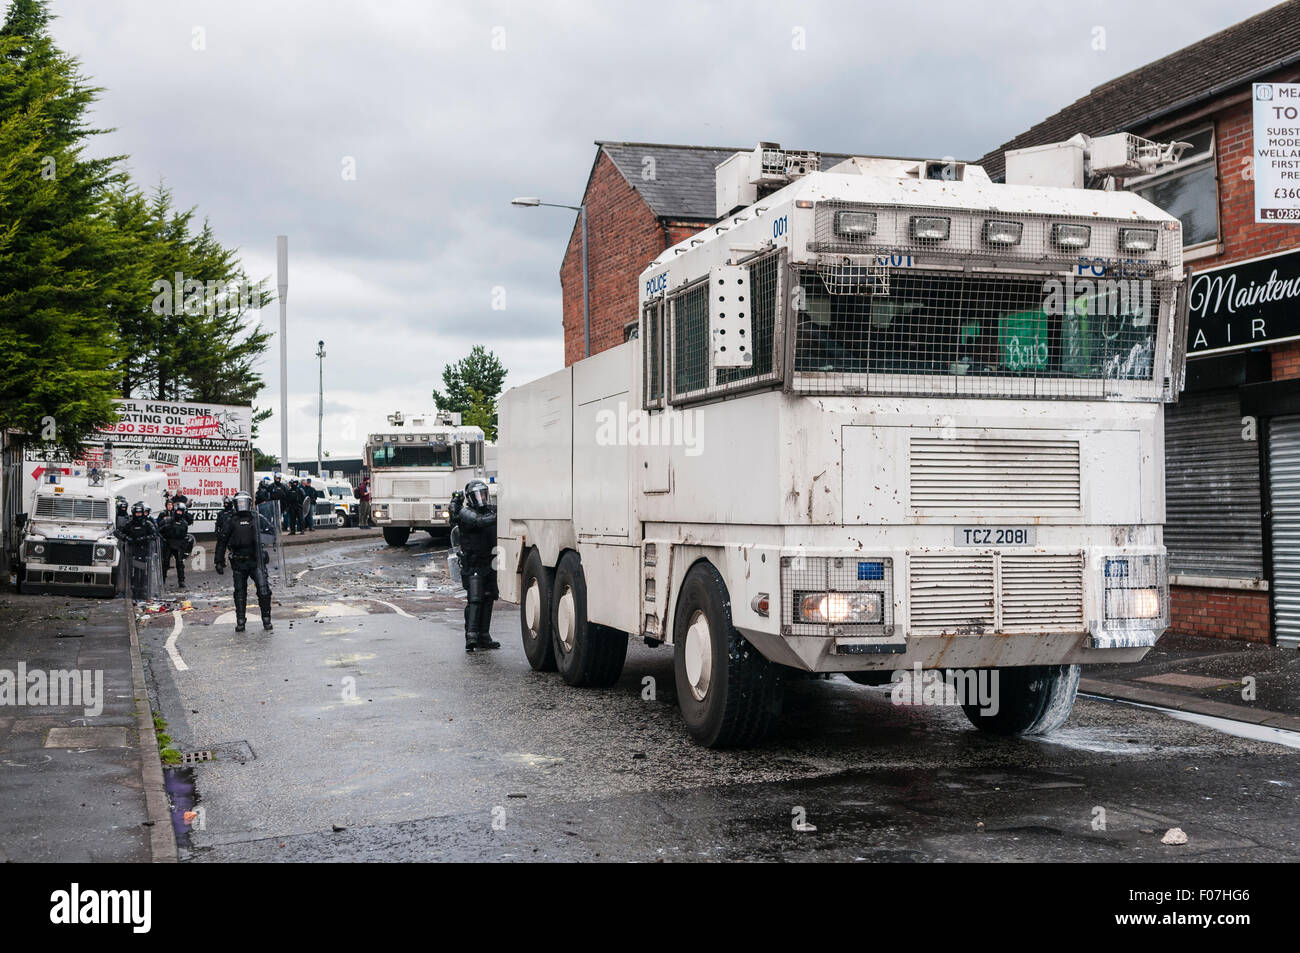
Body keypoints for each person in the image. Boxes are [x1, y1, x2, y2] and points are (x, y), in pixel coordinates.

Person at [450, 479, 499, 653]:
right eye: (478, 495)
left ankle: (484, 636)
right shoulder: (466, 513)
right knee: (476, 599)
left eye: (484, 494)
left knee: (489, 597)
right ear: (470, 497)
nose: (482, 498)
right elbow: (480, 521)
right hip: (474, 562)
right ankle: (471, 636)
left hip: (490, 560)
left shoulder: (491, 510)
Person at [215, 492, 273, 633]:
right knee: (240, 593)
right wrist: (218, 560)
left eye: (243, 502)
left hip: (255, 560)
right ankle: (240, 620)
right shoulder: (231, 520)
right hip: (239, 561)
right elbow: (222, 541)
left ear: (248, 503)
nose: (242, 505)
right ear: (236, 504)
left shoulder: (256, 518)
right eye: (239, 503)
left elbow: (271, 531)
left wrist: (265, 547)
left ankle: (266, 619)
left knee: (264, 591)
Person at [118, 502, 159, 600]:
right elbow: (118, 532)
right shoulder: (129, 524)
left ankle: (144, 591)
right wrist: (127, 538)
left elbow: (155, 534)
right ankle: (134, 591)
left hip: (145, 551)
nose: (138, 516)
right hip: (133, 552)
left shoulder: (147, 524)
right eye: (137, 514)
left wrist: (144, 538)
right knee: (134, 573)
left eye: (140, 514)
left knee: (144, 572)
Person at [158, 502, 193, 588]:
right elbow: (159, 531)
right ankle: (162, 581)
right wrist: (163, 540)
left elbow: (184, 535)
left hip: (178, 545)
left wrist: (184, 545)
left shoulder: (184, 523)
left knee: (180, 564)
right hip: (168, 544)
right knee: (165, 563)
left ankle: (181, 580)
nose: (179, 513)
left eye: (181, 512)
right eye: (178, 511)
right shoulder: (167, 520)